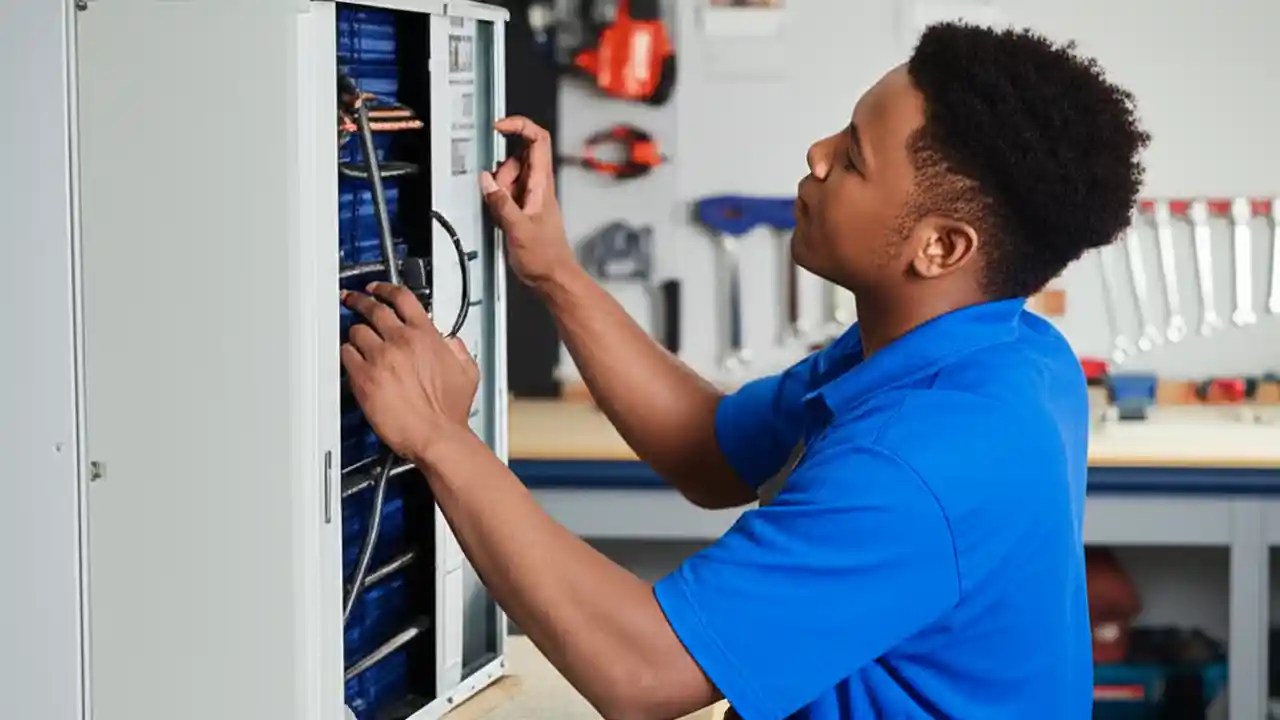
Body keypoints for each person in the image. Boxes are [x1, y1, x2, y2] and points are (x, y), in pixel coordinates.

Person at [338, 21, 1149, 720]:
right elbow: (709, 448)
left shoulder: (925, 456)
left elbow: (643, 673)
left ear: (939, 247)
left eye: (855, 160)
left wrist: (443, 439)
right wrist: (555, 270)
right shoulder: (999, 349)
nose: (818, 154)